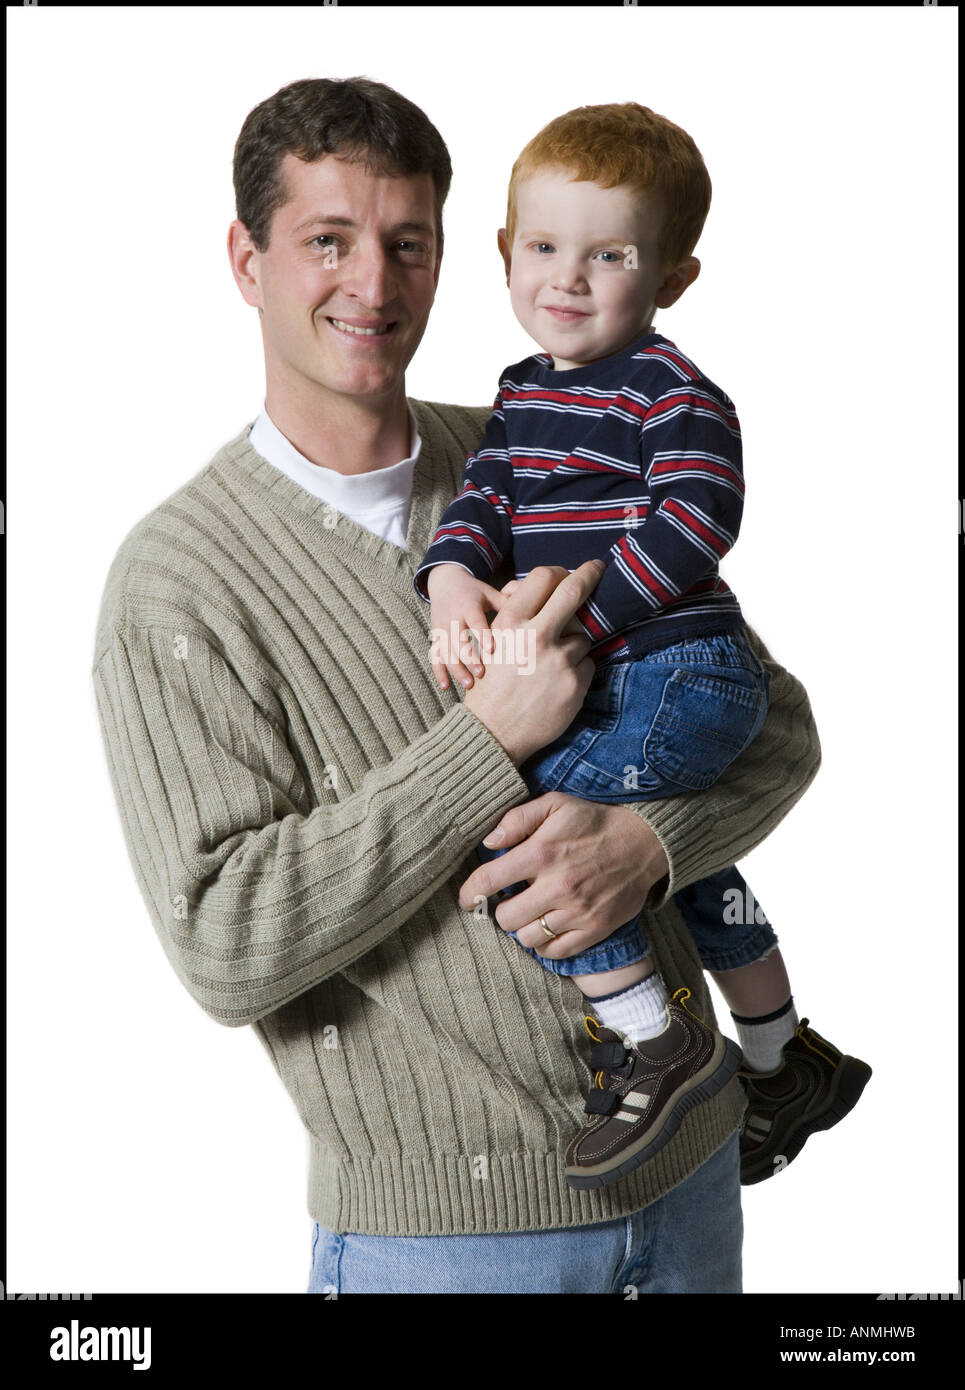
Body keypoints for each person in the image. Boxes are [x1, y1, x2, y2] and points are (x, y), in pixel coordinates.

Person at [92, 76, 822, 1294]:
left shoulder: (537, 442)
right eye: (326, 241)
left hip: (693, 1184)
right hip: (447, 1242)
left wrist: (643, 842)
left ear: (447, 258)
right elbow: (222, 942)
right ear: (246, 257)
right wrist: (483, 739)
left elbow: (776, 724)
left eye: (405, 244)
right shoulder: (177, 584)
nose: (372, 287)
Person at [415, 102, 871, 1191]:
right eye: (542, 247)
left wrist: (574, 614)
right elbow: (482, 500)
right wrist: (446, 579)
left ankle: (655, 1040)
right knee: (689, 860)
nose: (566, 279)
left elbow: (697, 514)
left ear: (671, 277)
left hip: (680, 668)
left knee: (511, 824)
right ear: (503, 253)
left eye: (608, 254)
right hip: (634, 674)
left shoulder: (669, 390)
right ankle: (781, 1052)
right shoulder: (521, 398)